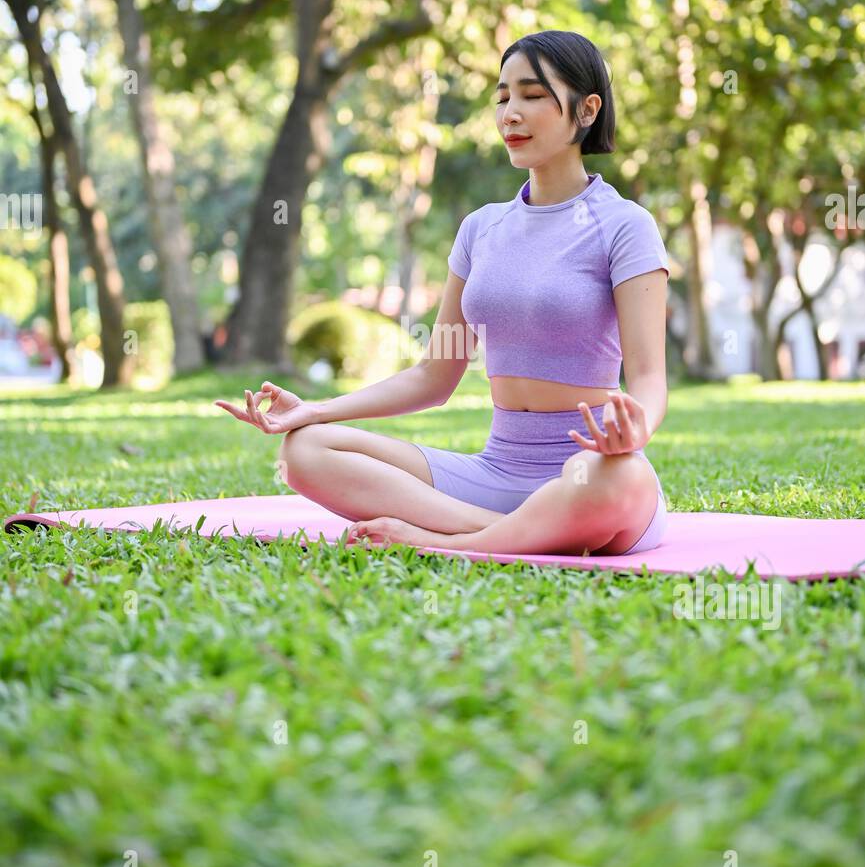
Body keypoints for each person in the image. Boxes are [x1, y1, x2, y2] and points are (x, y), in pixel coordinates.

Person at [215, 29, 670, 557]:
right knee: (306, 450)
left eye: (532, 94)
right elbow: (435, 376)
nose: (510, 114)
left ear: (587, 109)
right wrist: (315, 411)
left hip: (588, 471)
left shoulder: (624, 226)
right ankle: (494, 533)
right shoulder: (481, 230)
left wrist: (634, 430)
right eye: (502, 98)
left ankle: (447, 539)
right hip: (495, 473)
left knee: (613, 479)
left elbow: (649, 378)